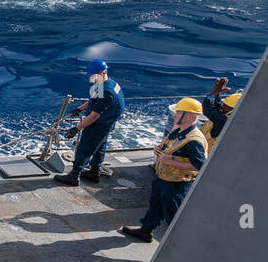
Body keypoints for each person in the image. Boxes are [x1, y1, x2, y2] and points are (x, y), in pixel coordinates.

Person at [120, 97, 209, 243]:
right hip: (165, 179)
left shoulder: (194, 141)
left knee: (173, 216)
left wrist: (170, 161)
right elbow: (171, 146)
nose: (175, 115)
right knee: (155, 206)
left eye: (180, 113)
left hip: (177, 184)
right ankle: (145, 231)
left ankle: (181, 245)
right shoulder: (179, 131)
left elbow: (200, 165)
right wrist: (159, 150)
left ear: (191, 117)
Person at [55, 60, 126, 186]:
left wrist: (76, 129)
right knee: (100, 145)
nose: (90, 79)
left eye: (92, 76)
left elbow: (94, 116)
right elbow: (93, 98)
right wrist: (80, 109)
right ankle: (94, 172)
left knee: (85, 147)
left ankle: (74, 175)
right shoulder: (108, 82)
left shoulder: (107, 92)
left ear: (101, 73)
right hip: (108, 122)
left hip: (100, 123)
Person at [201, 78, 242, 152]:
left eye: (226, 106)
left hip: (205, 153)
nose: (222, 107)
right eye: (224, 104)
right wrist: (217, 94)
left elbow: (207, 109)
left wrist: (214, 93)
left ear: (234, 110)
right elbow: (217, 106)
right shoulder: (226, 114)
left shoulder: (223, 121)